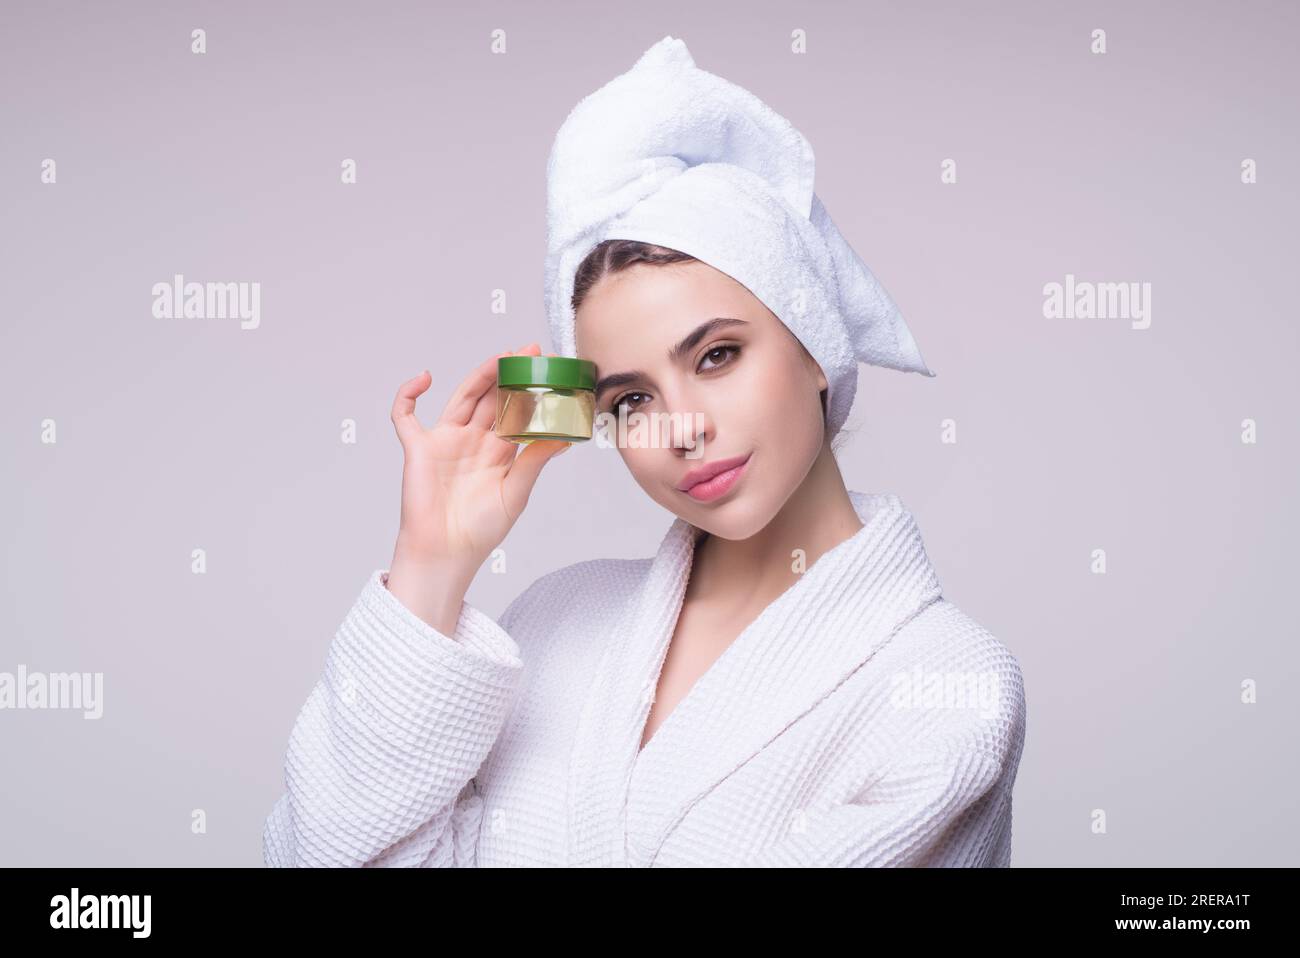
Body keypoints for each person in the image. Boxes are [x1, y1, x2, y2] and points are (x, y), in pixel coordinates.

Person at [261, 38, 1026, 868]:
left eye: (718, 356)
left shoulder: (946, 683)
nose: (680, 426)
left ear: (814, 345)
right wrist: (430, 570)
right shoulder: (556, 624)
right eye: (631, 399)